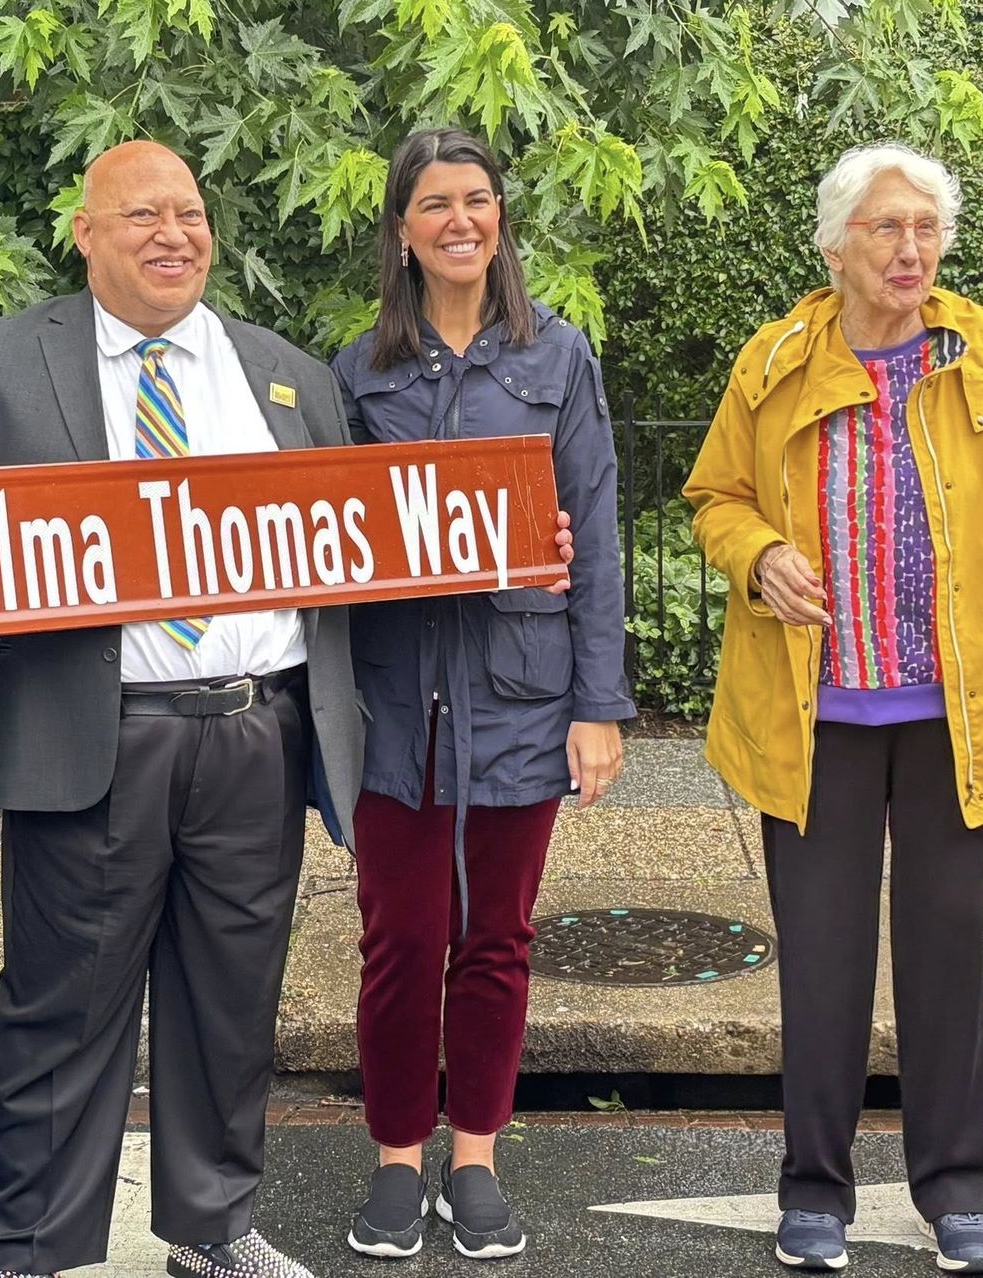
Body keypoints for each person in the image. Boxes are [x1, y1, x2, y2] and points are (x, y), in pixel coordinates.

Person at [0, 140, 364, 1278]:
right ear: (83, 232)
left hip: (254, 732)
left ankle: (215, 1229)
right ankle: (30, 1250)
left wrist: (515, 538)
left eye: (189, 211)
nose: (172, 233)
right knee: (60, 1011)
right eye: (141, 214)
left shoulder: (290, 374)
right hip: (92, 736)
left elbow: (369, 536)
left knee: (233, 1002)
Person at [685, 141, 983, 1275]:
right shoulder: (772, 363)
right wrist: (757, 555)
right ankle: (814, 1190)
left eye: (924, 228)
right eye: (884, 228)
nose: (909, 248)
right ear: (834, 245)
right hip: (815, 720)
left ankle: (956, 1187)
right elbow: (714, 495)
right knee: (820, 960)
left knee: (948, 957)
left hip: (957, 714)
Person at [331, 127, 632, 1263]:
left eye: (478, 200)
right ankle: (400, 1152)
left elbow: (593, 535)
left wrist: (596, 704)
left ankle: (478, 1153)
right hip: (393, 701)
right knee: (400, 939)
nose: (461, 220)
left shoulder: (557, 360)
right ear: (402, 232)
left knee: (496, 939)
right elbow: (319, 539)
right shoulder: (358, 374)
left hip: (523, 691)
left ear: (499, 218)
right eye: (434, 204)